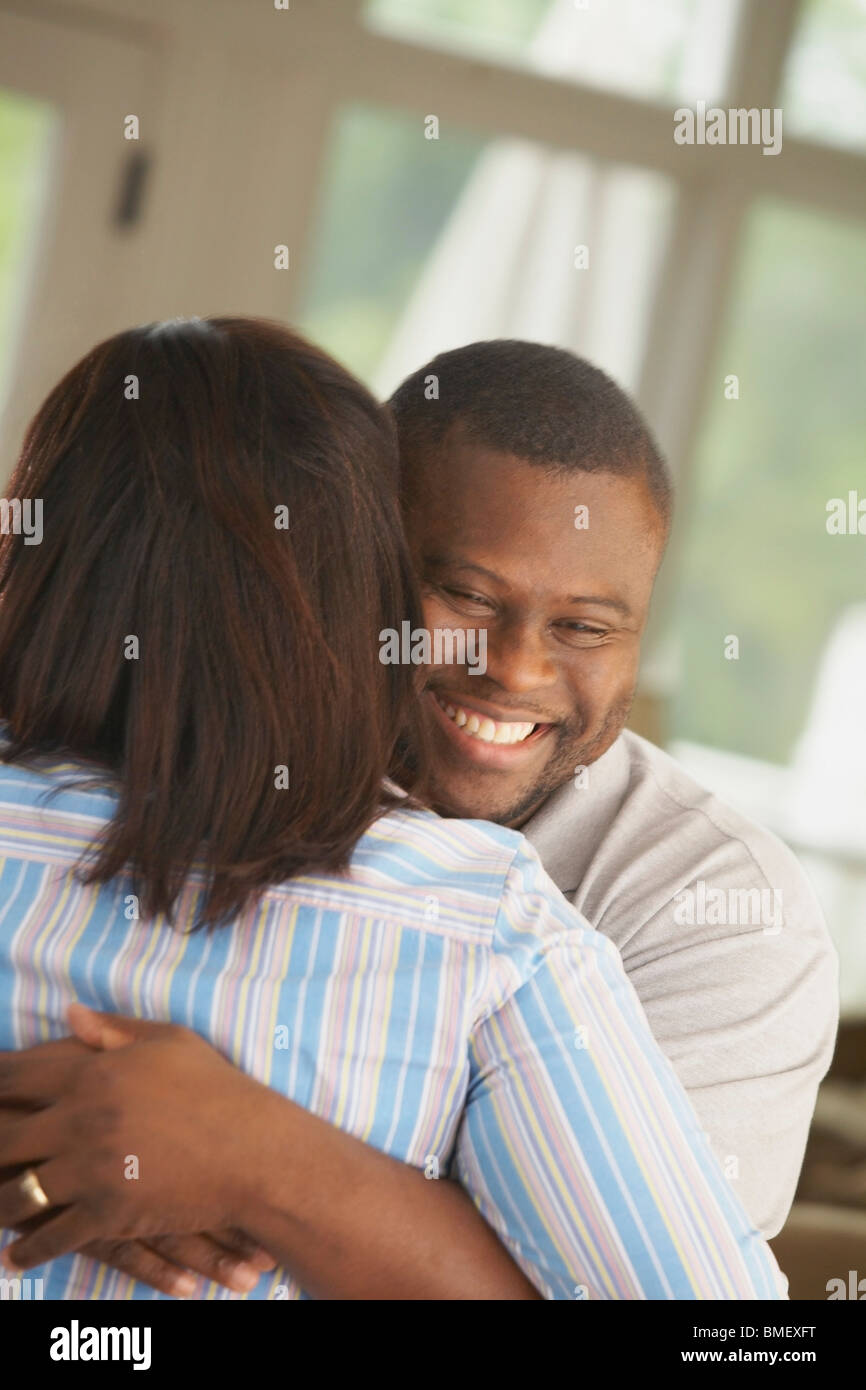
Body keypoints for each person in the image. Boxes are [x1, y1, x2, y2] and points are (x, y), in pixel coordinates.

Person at [0, 317, 787, 1301]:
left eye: (581, 626)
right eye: (458, 593)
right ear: (362, 574)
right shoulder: (488, 925)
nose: (513, 668)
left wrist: (252, 1159)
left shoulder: (705, 904)